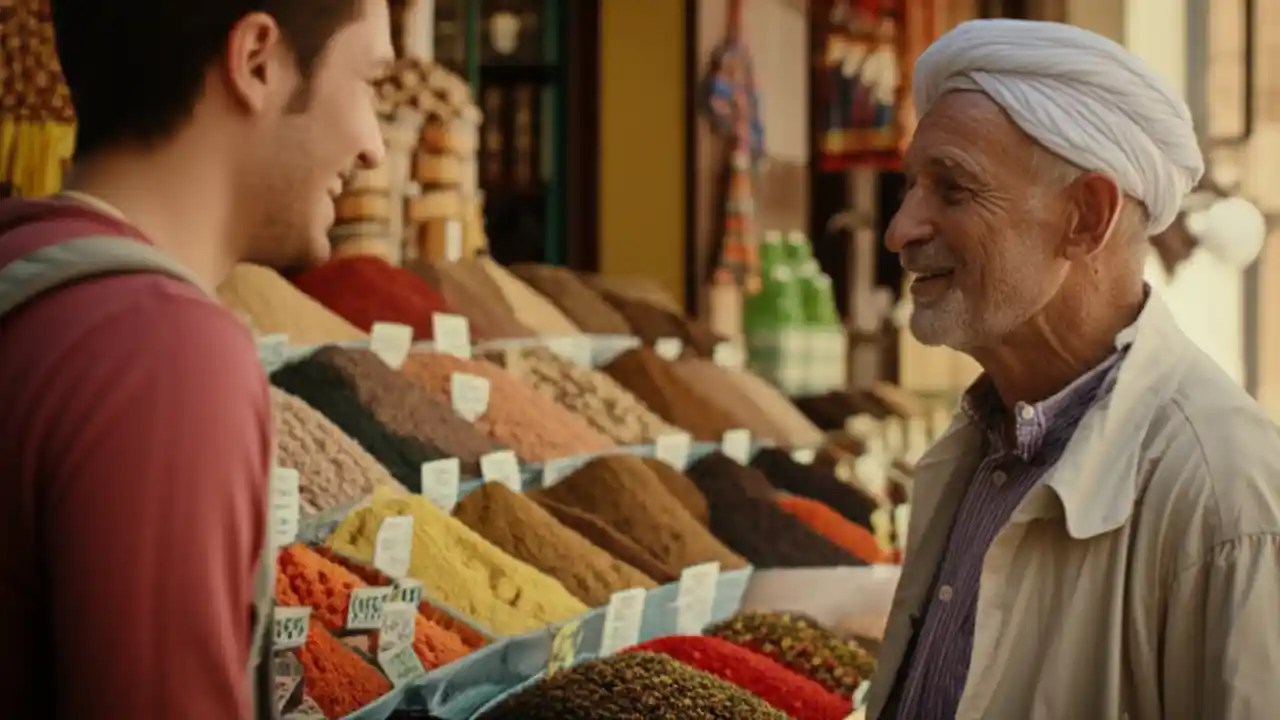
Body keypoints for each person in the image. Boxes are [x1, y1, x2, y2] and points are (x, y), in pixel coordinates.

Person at [867, 19, 1280, 720]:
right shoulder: (981, 448)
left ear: (1086, 218)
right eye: (911, 188)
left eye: (954, 190)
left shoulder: (1229, 499)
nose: (899, 230)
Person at [0, 1, 392, 718]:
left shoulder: (26, 266)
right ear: (257, 62)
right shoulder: (165, 354)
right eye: (370, 81)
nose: (375, 147)